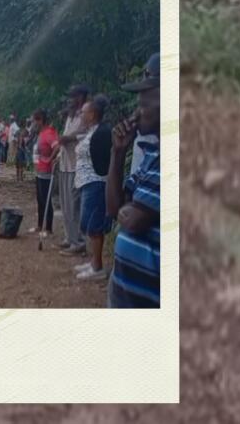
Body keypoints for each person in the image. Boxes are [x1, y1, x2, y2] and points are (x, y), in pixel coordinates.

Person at [107, 54, 162, 308]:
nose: (136, 113)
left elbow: (135, 221)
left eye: (143, 104)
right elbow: (114, 208)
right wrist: (117, 153)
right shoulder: (151, 156)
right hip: (126, 294)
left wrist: (129, 209)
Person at [72, 95, 112, 282]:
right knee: (88, 224)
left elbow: (105, 159)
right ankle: (93, 262)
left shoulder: (102, 132)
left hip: (96, 182)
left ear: (93, 114)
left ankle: (97, 267)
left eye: (84, 112)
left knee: (94, 225)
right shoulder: (91, 130)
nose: (80, 115)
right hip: (87, 183)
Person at [57, 85, 89, 258]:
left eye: (74, 96)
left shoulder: (86, 114)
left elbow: (87, 134)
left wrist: (69, 138)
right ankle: (70, 237)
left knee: (74, 205)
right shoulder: (70, 115)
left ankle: (79, 242)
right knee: (66, 203)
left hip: (76, 165)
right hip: (65, 163)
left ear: (82, 96)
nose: (71, 99)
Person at [31, 109, 59, 237]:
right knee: (40, 199)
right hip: (39, 171)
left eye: (35, 120)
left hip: (46, 172)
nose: (33, 123)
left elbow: (57, 146)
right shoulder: (40, 133)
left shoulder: (49, 133)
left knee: (46, 199)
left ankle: (48, 228)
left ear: (40, 120)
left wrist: (50, 159)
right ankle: (40, 225)